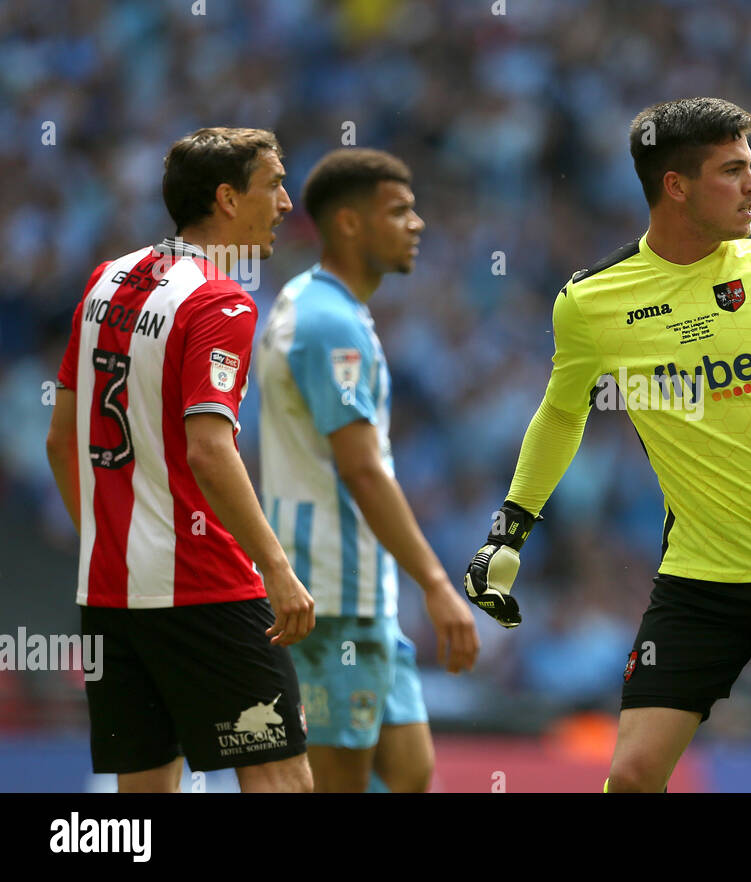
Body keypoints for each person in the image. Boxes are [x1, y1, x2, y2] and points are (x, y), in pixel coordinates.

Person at [464, 97, 751, 793]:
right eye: (733, 170)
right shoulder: (591, 302)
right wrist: (511, 528)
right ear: (676, 186)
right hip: (700, 580)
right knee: (631, 775)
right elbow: (562, 415)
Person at [44, 127, 315, 793]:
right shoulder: (220, 301)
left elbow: (60, 440)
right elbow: (209, 450)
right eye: (273, 184)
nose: (285, 202)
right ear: (227, 198)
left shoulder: (106, 280)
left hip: (109, 590)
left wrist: (111, 541)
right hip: (205, 587)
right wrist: (276, 569)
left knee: (141, 803)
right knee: (283, 780)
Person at [256, 148, 480, 793]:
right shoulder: (329, 325)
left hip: (362, 596)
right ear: (349, 223)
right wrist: (437, 585)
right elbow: (359, 468)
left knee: (409, 775)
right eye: (400, 211)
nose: (418, 224)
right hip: (330, 593)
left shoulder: (322, 307)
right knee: (338, 786)